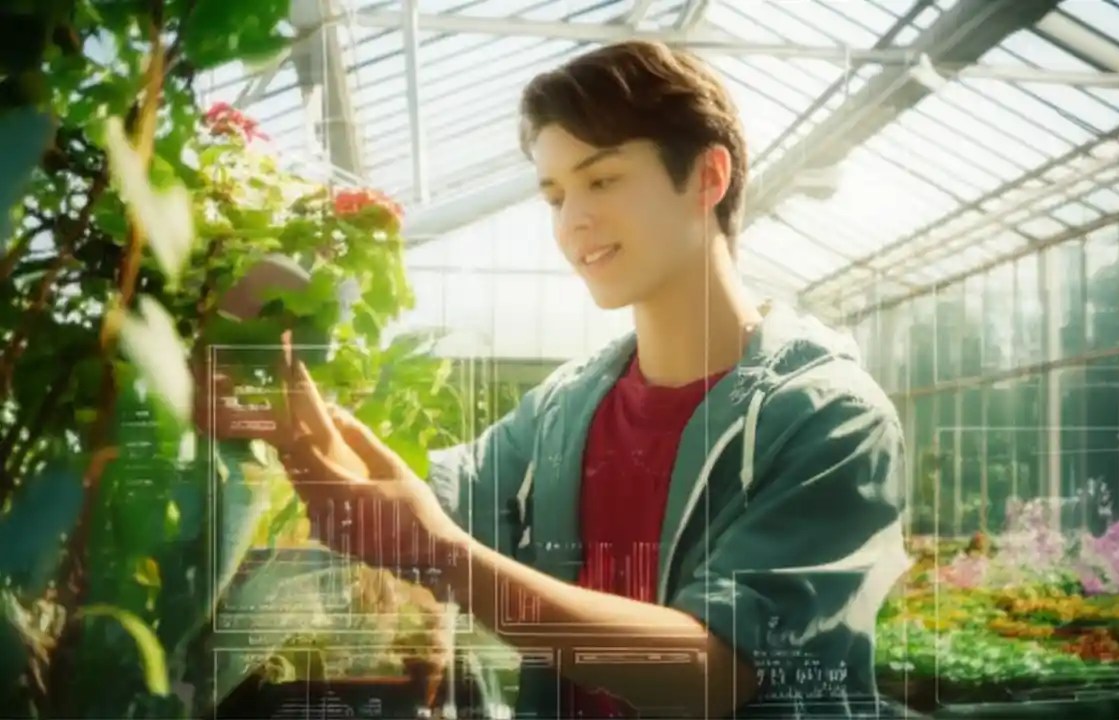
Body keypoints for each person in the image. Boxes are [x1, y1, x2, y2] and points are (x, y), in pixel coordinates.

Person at [200, 40, 914, 719]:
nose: (574, 221)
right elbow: (415, 499)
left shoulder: (830, 418)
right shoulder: (567, 409)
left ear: (708, 176)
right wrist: (275, 389)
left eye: (602, 179)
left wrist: (446, 558)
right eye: (554, 194)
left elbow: (711, 673)